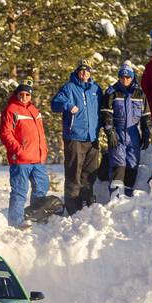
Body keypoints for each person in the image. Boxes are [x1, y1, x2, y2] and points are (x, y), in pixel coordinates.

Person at [51, 60, 107, 214]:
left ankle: (86, 200)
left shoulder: (96, 89)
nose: (84, 73)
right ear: (77, 72)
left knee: (90, 171)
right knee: (74, 171)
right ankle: (72, 205)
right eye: (81, 70)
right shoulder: (69, 87)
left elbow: (103, 108)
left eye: (87, 70)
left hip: (92, 136)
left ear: (90, 72)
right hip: (74, 136)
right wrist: (68, 106)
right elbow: (55, 103)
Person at [0, 83, 50, 226]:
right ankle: (15, 222)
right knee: (20, 191)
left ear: (31, 96)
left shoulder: (34, 110)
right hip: (21, 159)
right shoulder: (11, 110)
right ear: (17, 94)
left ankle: (36, 215)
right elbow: (5, 134)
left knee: (42, 186)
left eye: (27, 94)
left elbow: (40, 133)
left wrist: (43, 149)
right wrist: (18, 149)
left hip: (37, 158)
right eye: (21, 94)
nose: (24, 97)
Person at [104, 62, 152, 198]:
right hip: (117, 133)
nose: (125, 80)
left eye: (128, 77)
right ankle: (116, 196)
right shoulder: (112, 92)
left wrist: (147, 133)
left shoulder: (140, 94)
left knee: (132, 165)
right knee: (118, 164)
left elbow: (146, 116)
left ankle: (128, 196)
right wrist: (110, 132)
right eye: (122, 77)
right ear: (119, 77)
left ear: (132, 77)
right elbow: (106, 113)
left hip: (133, 134)